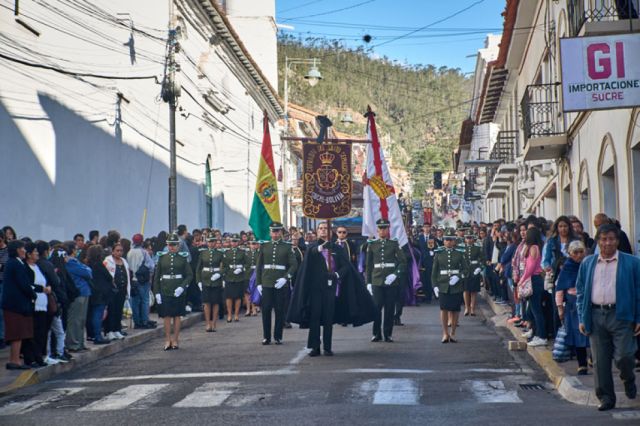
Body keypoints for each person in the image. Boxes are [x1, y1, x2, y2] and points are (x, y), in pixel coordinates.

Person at [576, 223, 640, 411]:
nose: (607, 243)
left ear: (617, 241)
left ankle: (628, 379)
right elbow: (580, 291)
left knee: (625, 356)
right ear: (598, 241)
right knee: (600, 361)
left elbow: (638, 291)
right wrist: (582, 317)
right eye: (604, 239)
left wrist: (638, 317)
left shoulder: (632, 263)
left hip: (621, 315)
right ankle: (605, 397)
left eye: (612, 239)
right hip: (596, 315)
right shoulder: (588, 263)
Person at [289, 222, 350, 356]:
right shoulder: (313, 247)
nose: (323, 231)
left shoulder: (337, 248)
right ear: (317, 231)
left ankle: (327, 347)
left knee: (328, 317)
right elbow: (310, 254)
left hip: (331, 287)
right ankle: (315, 346)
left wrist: (337, 275)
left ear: (331, 231)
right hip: (315, 288)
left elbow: (346, 266)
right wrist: (320, 248)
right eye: (320, 229)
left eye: (325, 228)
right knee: (315, 317)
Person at [255, 222, 298, 345]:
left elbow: (293, 265)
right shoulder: (264, 246)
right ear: (270, 232)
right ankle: (266, 337)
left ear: (281, 233)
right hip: (267, 282)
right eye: (273, 231)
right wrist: (259, 283)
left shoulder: (287, 246)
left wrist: (286, 278)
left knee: (279, 310)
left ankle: (278, 336)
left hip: (280, 282)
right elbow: (259, 266)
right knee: (266, 310)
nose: (275, 234)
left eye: (277, 231)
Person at [366, 218, 407, 343]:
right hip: (377, 279)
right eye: (380, 229)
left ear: (388, 229)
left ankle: (388, 334)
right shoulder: (372, 244)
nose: (383, 231)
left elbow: (403, 262)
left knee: (389, 308)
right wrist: (368, 282)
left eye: (385, 228)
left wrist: (395, 274)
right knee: (376, 307)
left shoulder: (394, 244)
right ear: (377, 230)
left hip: (391, 280)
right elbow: (369, 265)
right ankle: (376, 333)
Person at [2, 240, 38, 369]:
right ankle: (15, 360)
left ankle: (14, 359)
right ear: (18, 250)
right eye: (23, 248)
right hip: (16, 305)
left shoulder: (14, 263)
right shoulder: (15, 264)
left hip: (15, 304)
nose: (24, 251)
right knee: (17, 333)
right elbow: (23, 284)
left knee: (18, 333)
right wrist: (33, 295)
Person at [153, 233, 193, 350]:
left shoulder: (182, 258)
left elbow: (189, 275)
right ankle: (167, 340)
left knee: (177, 316)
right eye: (170, 245)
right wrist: (157, 292)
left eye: (174, 245)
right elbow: (157, 277)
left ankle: (175, 339)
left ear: (178, 246)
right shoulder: (162, 258)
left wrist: (182, 287)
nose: (172, 247)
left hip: (178, 290)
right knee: (166, 316)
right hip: (165, 289)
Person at [556, 240, 589, 375]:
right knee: (578, 334)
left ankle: (594, 358)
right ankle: (582, 364)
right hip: (573, 304)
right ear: (570, 254)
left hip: (589, 301)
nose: (579, 255)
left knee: (592, 332)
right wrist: (560, 309)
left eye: (581, 252)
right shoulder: (567, 268)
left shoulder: (588, 265)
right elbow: (559, 289)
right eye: (575, 252)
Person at [432, 230, 468, 343]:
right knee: (443, 309)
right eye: (446, 239)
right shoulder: (439, 253)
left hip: (456, 285)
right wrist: (435, 286)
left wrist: (459, 276)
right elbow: (434, 272)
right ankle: (445, 333)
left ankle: (452, 332)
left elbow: (466, 269)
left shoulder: (460, 253)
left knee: (455, 309)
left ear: (454, 241)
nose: (448, 242)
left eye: (450, 239)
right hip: (443, 284)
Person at [519, 227, 547, 347]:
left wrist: (522, 280)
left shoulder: (534, 248)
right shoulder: (531, 247)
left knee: (536, 310)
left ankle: (542, 336)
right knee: (531, 309)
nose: (524, 234)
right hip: (533, 279)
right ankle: (535, 333)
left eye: (527, 233)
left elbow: (530, 267)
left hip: (534, 279)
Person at [64, 242, 92, 352]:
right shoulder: (70, 262)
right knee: (75, 320)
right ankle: (73, 343)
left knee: (81, 320)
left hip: (84, 292)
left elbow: (87, 270)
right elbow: (87, 273)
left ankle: (80, 342)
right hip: (78, 292)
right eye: (75, 249)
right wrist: (86, 269)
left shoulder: (75, 262)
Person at [127, 234, 156, 329]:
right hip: (143, 280)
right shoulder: (143, 252)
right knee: (145, 300)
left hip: (133, 280)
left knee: (135, 301)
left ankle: (137, 321)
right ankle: (145, 321)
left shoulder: (129, 252)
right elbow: (151, 266)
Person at [195, 235, 224, 332]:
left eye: (213, 242)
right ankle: (207, 323)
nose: (211, 243)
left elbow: (225, 267)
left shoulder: (220, 254)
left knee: (215, 302)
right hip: (205, 279)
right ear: (207, 242)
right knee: (206, 302)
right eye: (209, 242)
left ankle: (214, 323)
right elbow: (198, 268)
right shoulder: (203, 253)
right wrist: (198, 281)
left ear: (216, 242)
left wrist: (219, 274)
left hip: (216, 280)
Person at [86, 245, 113, 345]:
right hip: (100, 293)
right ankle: (98, 336)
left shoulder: (88, 264)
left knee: (92, 314)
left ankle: (92, 335)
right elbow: (109, 277)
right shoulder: (99, 265)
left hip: (91, 292)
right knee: (98, 315)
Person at [103, 242, 130, 340]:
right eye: (117, 251)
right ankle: (109, 331)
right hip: (112, 290)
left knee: (119, 310)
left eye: (121, 251)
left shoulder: (124, 261)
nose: (119, 253)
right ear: (113, 252)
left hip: (122, 290)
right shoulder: (108, 261)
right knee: (111, 310)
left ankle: (116, 330)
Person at [222, 234, 249, 323]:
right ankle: (229, 314)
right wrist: (223, 276)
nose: (234, 243)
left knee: (238, 297)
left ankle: (236, 315)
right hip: (229, 276)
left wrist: (241, 269)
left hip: (239, 276)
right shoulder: (227, 252)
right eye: (233, 241)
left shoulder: (242, 252)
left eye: (236, 241)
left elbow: (247, 263)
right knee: (229, 297)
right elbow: (224, 266)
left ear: (238, 242)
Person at [462, 233, 484, 316]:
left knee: (473, 291)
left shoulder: (477, 248)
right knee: (466, 290)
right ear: (465, 239)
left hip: (475, 270)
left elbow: (482, 259)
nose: (469, 240)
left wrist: (480, 268)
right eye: (467, 238)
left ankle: (472, 308)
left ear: (473, 239)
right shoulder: (462, 249)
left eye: (470, 238)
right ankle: (467, 307)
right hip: (466, 270)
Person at [0, 230, 8, 350]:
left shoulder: (8, 251)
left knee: (1, 311)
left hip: (3, 283)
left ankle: (2, 337)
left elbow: (5, 266)